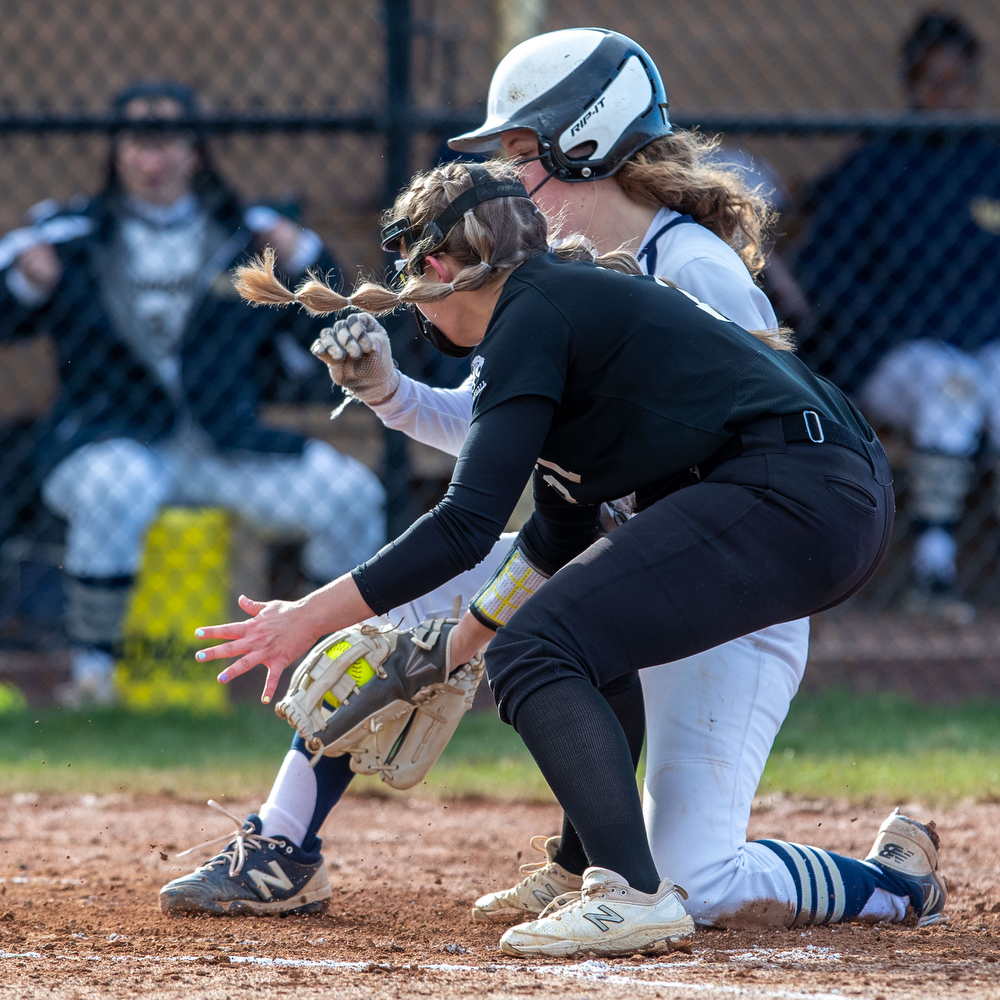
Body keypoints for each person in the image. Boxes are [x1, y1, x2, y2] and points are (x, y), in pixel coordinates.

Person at [161, 31, 944, 940]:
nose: (508, 180)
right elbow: (525, 446)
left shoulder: (681, 264)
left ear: (590, 139)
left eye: (522, 154)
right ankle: (283, 843)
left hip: (737, 570)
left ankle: (882, 883)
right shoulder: (552, 286)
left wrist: (348, 618)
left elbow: (719, 437)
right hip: (650, 538)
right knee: (456, 597)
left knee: (702, 877)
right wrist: (392, 400)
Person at [0, 81, 385, 705]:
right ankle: (93, 675)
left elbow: (334, 315)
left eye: (169, 141)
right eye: (138, 142)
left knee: (352, 496)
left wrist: (307, 255)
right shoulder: (71, 234)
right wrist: (24, 284)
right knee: (115, 486)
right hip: (109, 437)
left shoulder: (246, 235)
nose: (154, 161)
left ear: (196, 152)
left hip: (222, 440)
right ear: (116, 152)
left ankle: (327, 674)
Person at [795, 13, 1000, 623]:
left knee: (976, 379)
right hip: (897, 355)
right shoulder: (875, 166)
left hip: (984, 346)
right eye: (934, 84)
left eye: (959, 84)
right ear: (911, 86)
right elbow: (822, 275)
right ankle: (934, 571)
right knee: (950, 388)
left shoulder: (991, 162)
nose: (949, 98)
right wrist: (881, 327)